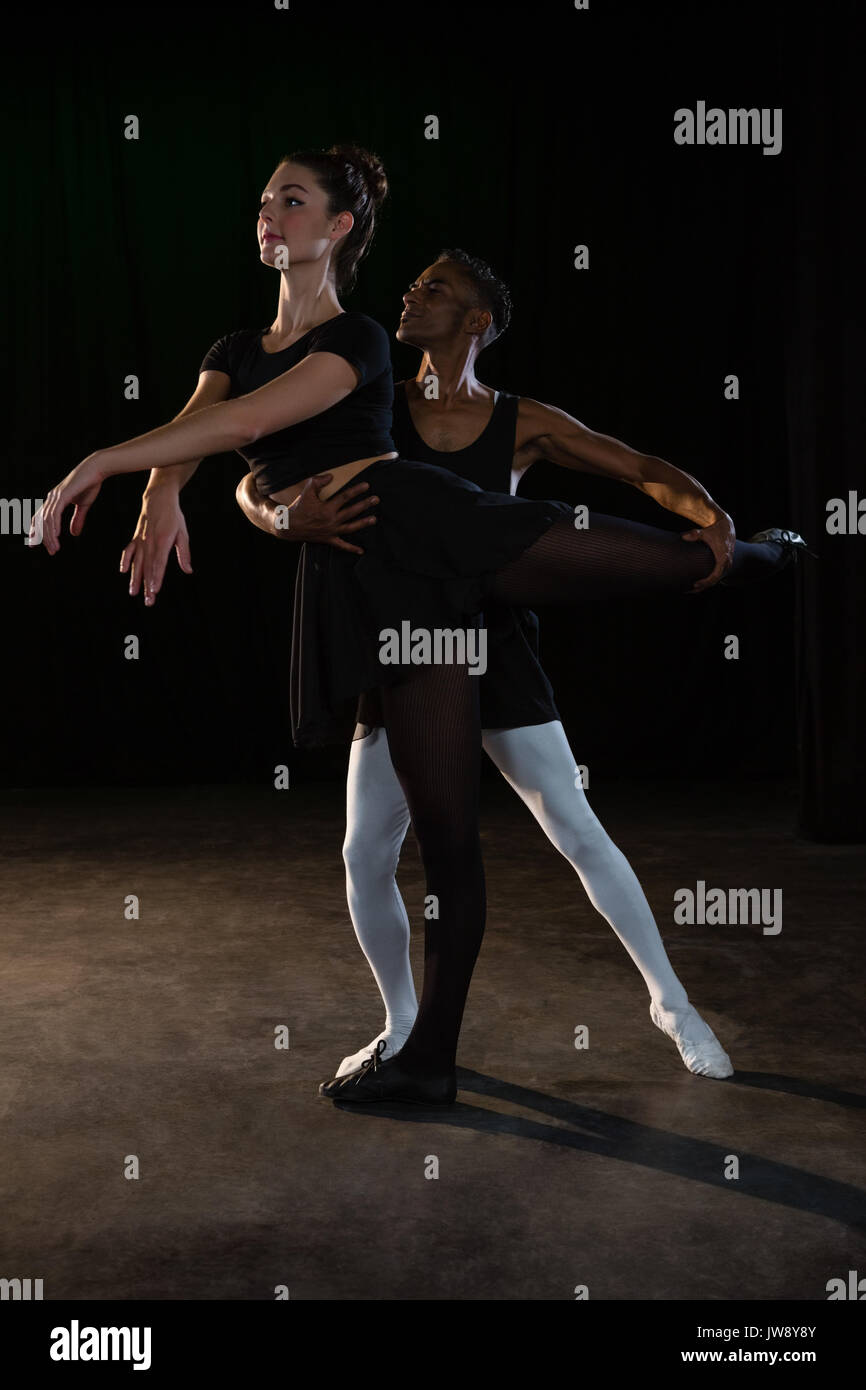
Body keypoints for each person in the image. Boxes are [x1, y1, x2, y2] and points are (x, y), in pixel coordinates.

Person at [30, 144, 806, 1106]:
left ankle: (751, 558)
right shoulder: (257, 358)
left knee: (582, 762)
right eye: (264, 197)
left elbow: (238, 434)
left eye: (293, 198)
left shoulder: (364, 347)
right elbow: (213, 433)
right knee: (387, 849)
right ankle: (412, 1037)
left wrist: (104, 462)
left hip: (443, 553)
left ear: (340, 225)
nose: (268, 211)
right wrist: (168, 494)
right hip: (387, 598)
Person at [234, 249, 804, 1091]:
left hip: (493, 647)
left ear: (478, 323)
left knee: (575, 830)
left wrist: (713, 518)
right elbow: (255, 464)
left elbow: (635, 467)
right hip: (407, 646)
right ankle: (400, 1025)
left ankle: (672, 1004)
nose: (411, 295)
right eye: (414, 284)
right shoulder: (363, 394)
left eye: (437, 290)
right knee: (364, 854)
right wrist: (282, 516)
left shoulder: (523, 419)